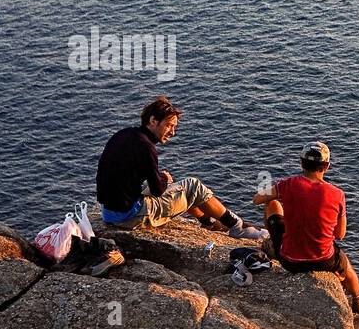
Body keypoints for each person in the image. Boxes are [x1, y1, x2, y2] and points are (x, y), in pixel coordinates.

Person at [96, 96, 267, 240]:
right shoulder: (146, 147)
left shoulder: (124, 135)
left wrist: (161, 179)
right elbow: (157, 190)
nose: (172, 132)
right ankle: (237, 226)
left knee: (180, 190)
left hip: (109, 212)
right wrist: (164, 178)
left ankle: (209, 223)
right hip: (129, 216)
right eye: (169, 125)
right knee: (192, 185)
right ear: (153, 121)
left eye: (174, 127)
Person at [252, 141, 359, 313]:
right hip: (323, 260)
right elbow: (340, 234)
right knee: (345, 264)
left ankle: (274, 243)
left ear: (301, 163)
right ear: (327, 166)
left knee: (271, 203)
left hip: (289, 260)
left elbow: (257, 199)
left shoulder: (288, 184)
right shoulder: (337, 194)